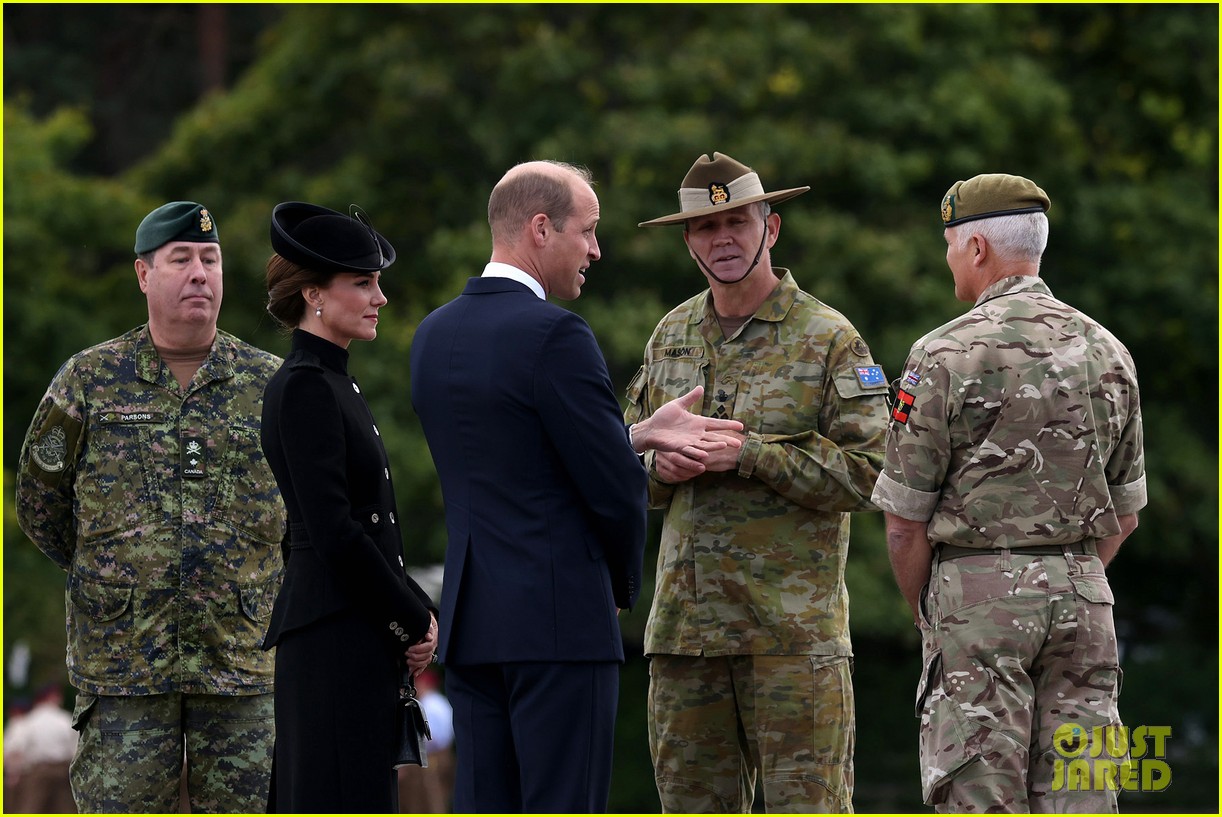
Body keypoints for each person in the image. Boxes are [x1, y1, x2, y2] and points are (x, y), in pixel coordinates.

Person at [409, 160, 745, 813]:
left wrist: (635, 432)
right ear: (541, 228)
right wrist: (618, 587)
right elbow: (613, 487)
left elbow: (515, 462)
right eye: (587, 231)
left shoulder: (432, 335)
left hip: (473, 623)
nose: (595, 249)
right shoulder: (556, 335)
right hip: (560, 621)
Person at [626, 152, 891, 813]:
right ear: (688, 240)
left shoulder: (829, 338)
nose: (722, 240)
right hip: (687, 637)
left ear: (770, 228)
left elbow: (872, 475)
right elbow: (621, 469)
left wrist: (750, 454)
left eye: (737, 222)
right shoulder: (671, 335)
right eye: (705, 228)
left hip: (793, 641)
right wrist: (660, 467)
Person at [871, 174, 1146, 812]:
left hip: (976, 601)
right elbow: (1125, 514)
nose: (948, 261)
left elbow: (903, 523)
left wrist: (934, 610)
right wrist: (1063, 571)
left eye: (949, 246)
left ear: (975, 250)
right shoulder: (1108, 351)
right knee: (1083, 795)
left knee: (978, 796)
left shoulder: (943, 353)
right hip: (1084, 598)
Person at [15, 201, 284, 812]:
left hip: (240, 664)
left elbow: (307, 516)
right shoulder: (89, 380)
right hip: (122, 667)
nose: (199, 274)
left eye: (210, 260)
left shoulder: (271, 385)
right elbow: (39, 503)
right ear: (143, 274)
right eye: (181, 259)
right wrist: (110, 576)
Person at [260, 201, 438, 812]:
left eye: (377, 282)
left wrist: (411, 613)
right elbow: (335, 532)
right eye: (362, 283)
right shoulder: (305, 386)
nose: (379, 298)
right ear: (313, 293)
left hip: (354, 633)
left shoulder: (333, 381)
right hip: (331, 638)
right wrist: (413, 615)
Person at [3, 684, 79, 813]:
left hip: (37, 772)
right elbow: (75, 750)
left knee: (31, 809)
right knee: (65, 810)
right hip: (62, 772)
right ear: (53, 697)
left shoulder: (29, 721)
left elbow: (16, 750)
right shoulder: (65, 719)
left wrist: (13, 773)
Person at [397, 669, 455, 813]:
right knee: (438, 798)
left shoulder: (428, 703)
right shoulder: (441, 701)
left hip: (430, 758)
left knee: (428, 802)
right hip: (443, 755)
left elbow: (432, 737)